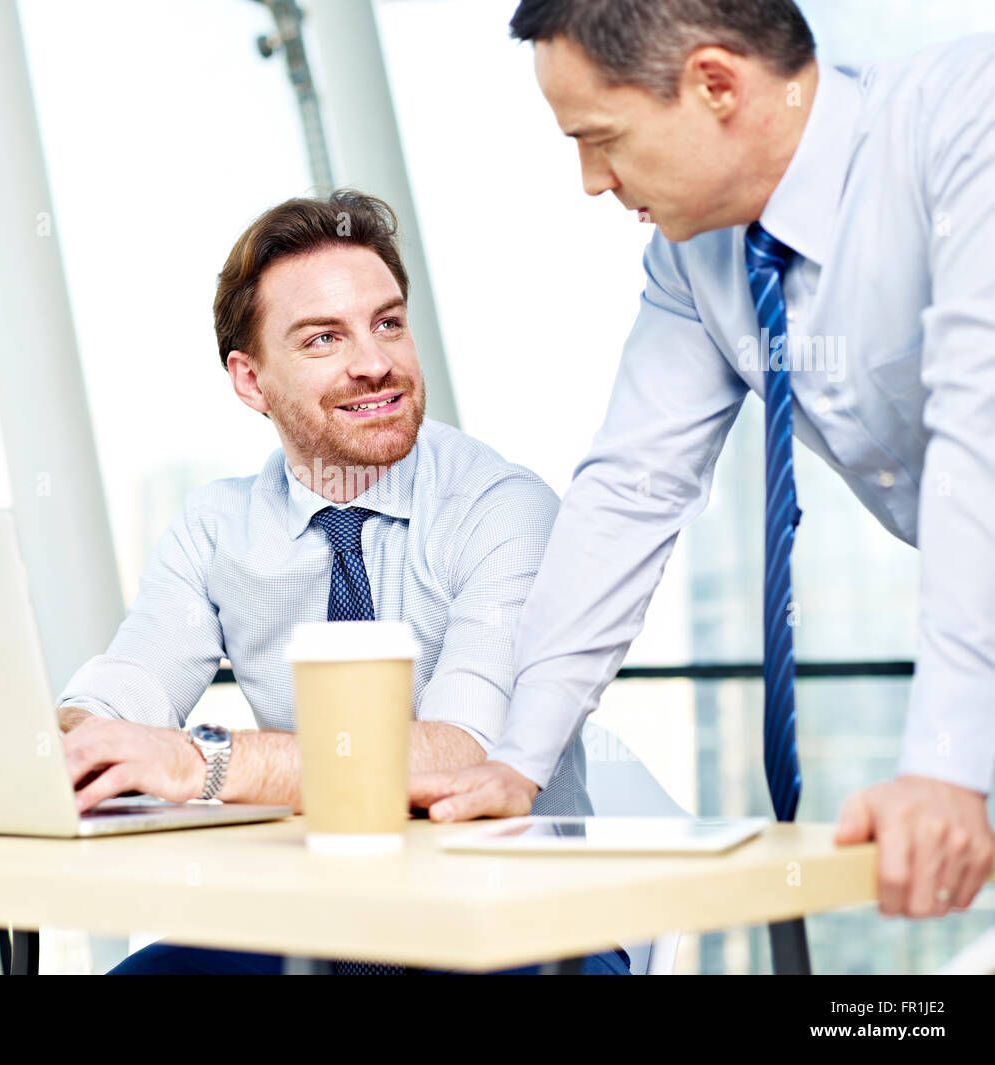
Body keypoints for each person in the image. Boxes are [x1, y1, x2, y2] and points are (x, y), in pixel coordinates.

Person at [412, 0, 995, 920]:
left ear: (715, 83)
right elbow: (627, 495)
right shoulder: (698, 260)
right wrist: (516, 762)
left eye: (601, 137)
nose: (591, 180)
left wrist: (947, 762)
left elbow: (985, 438)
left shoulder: (968, 121)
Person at [56, 189, 628, 975]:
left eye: (388, 323)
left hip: (522, 926)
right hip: (325, 927)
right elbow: (127, 686)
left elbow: (461, 759)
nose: (374, 362)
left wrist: (207, 762)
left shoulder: (503, 509)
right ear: (251, 381)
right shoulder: (216, 527)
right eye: (324, 338)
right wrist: (67, 744)